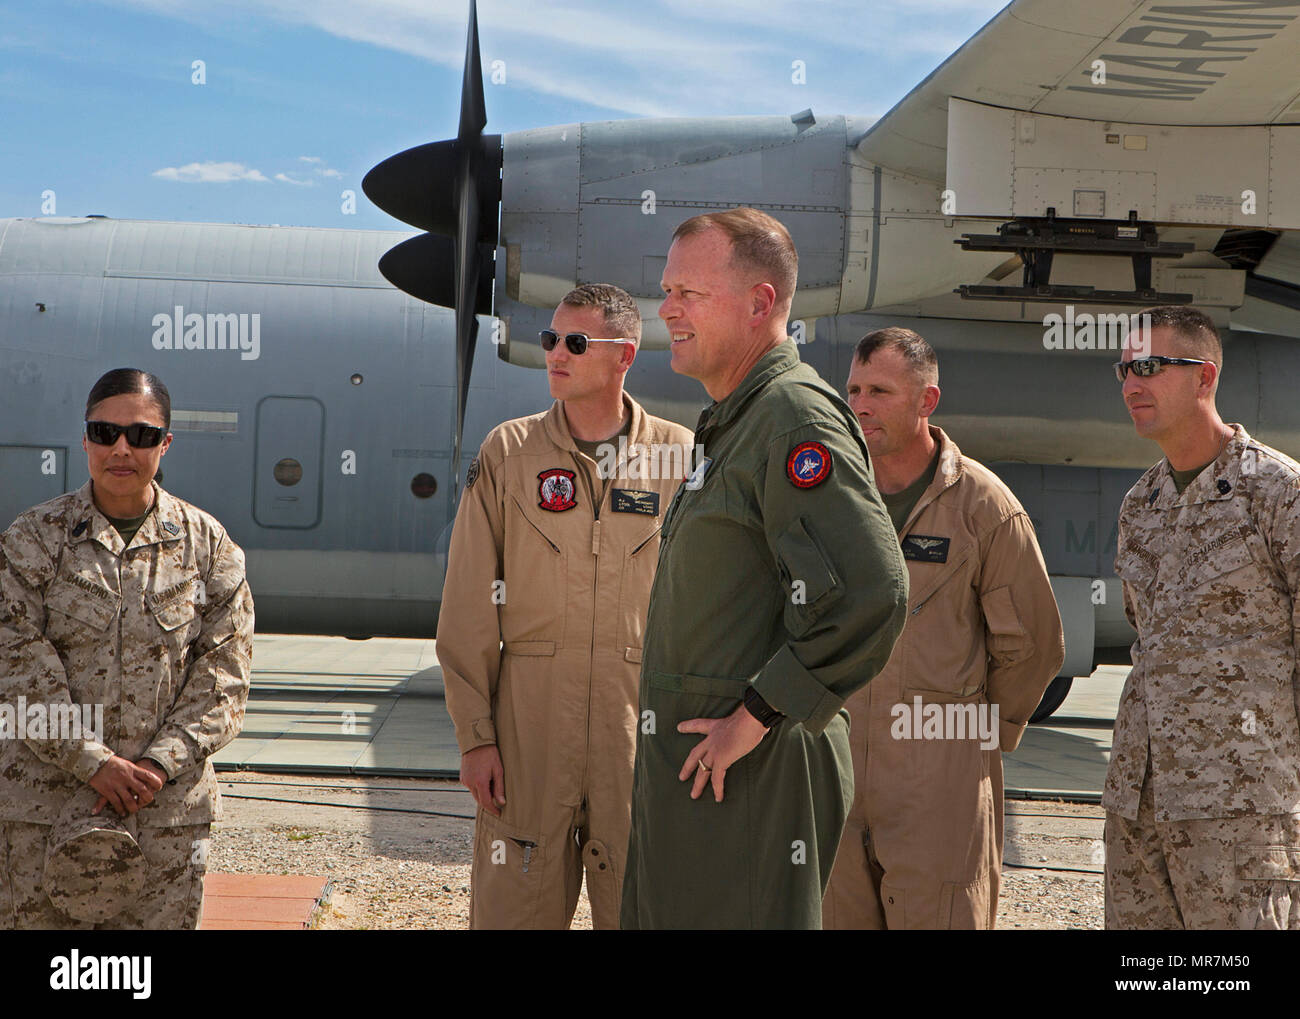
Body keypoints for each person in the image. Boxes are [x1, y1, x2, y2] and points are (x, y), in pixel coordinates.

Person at [620, 208, 909, 929]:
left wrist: (757, 713)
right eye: (667, 289)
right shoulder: (737, 419)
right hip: (705, 773)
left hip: (752, 773)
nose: (667, 308)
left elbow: (871, 592)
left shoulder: (792, 419)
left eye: (689, 291)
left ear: (759, 303)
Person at [437, 283, 694, 929]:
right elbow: (469, 606)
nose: (555, 353)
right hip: (527, 741)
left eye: (575, 343)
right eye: (550, 339)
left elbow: (708, 610)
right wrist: (476, 737)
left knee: (645, 913)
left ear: (624, 355)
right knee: (510, 916)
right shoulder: (508, 453)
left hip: (638, 743)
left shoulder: (681, 459)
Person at [821, 327, 1063, 929]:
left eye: (879, 390)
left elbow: (1033, 645)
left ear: (927, 401)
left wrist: (976, 735)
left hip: (940, 779)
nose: (860, 405)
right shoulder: (829, 495)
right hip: (834, 767)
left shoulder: (982, 505)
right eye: (853, 389)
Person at [0, 368, 254, 929]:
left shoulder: (208, 547)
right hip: (45, 811)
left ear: (165, 444)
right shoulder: (32, 540)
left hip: (163, 817)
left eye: (140, 435)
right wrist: (92, 763)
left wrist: (156, 767)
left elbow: (224, 678)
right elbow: (14, 668)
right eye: (105, 432)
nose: (122, 448)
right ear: (85, 438)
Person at [1107, 306, 1300, 929]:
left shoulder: (1277, 492)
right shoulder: (1142, 503)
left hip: (1242, 808)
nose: (1132, 384)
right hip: (1139, 804)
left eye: (1150, 367)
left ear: (1203, 377)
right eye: (1125, 369)